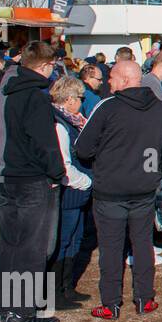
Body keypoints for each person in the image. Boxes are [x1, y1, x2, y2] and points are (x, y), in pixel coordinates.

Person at [74, 59, 162, 320]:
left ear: (124, 80)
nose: (108, 81)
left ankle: (112, 303)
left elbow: (83, 148)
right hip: (142, 188)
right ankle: (144, 299)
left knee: (112, 249)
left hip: (112, 190)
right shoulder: (159, 110)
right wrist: (158, 170)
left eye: (111, 77)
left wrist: (104, 162)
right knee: (142, 244)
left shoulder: (108, 107)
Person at [0, 42, 67, 322]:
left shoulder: (8, 92)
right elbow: (44, 143)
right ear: (45, 66)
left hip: (10, 176)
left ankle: (6, 308)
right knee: (31, 248)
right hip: (32, 180)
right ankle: (21, 313)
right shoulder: (35, 98)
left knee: (10, 245)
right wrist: (57, 172)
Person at [48, 76, 92, 309]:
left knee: (74, 239)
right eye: (81, 98)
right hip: (70, 191)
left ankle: (67, 286)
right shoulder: (60, 124)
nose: (83, 103)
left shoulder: (72, 121)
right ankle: (55, 292)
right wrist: (86, 181)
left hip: (77, 192)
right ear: (70, 99)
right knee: (63, 240)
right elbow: (64, 163)